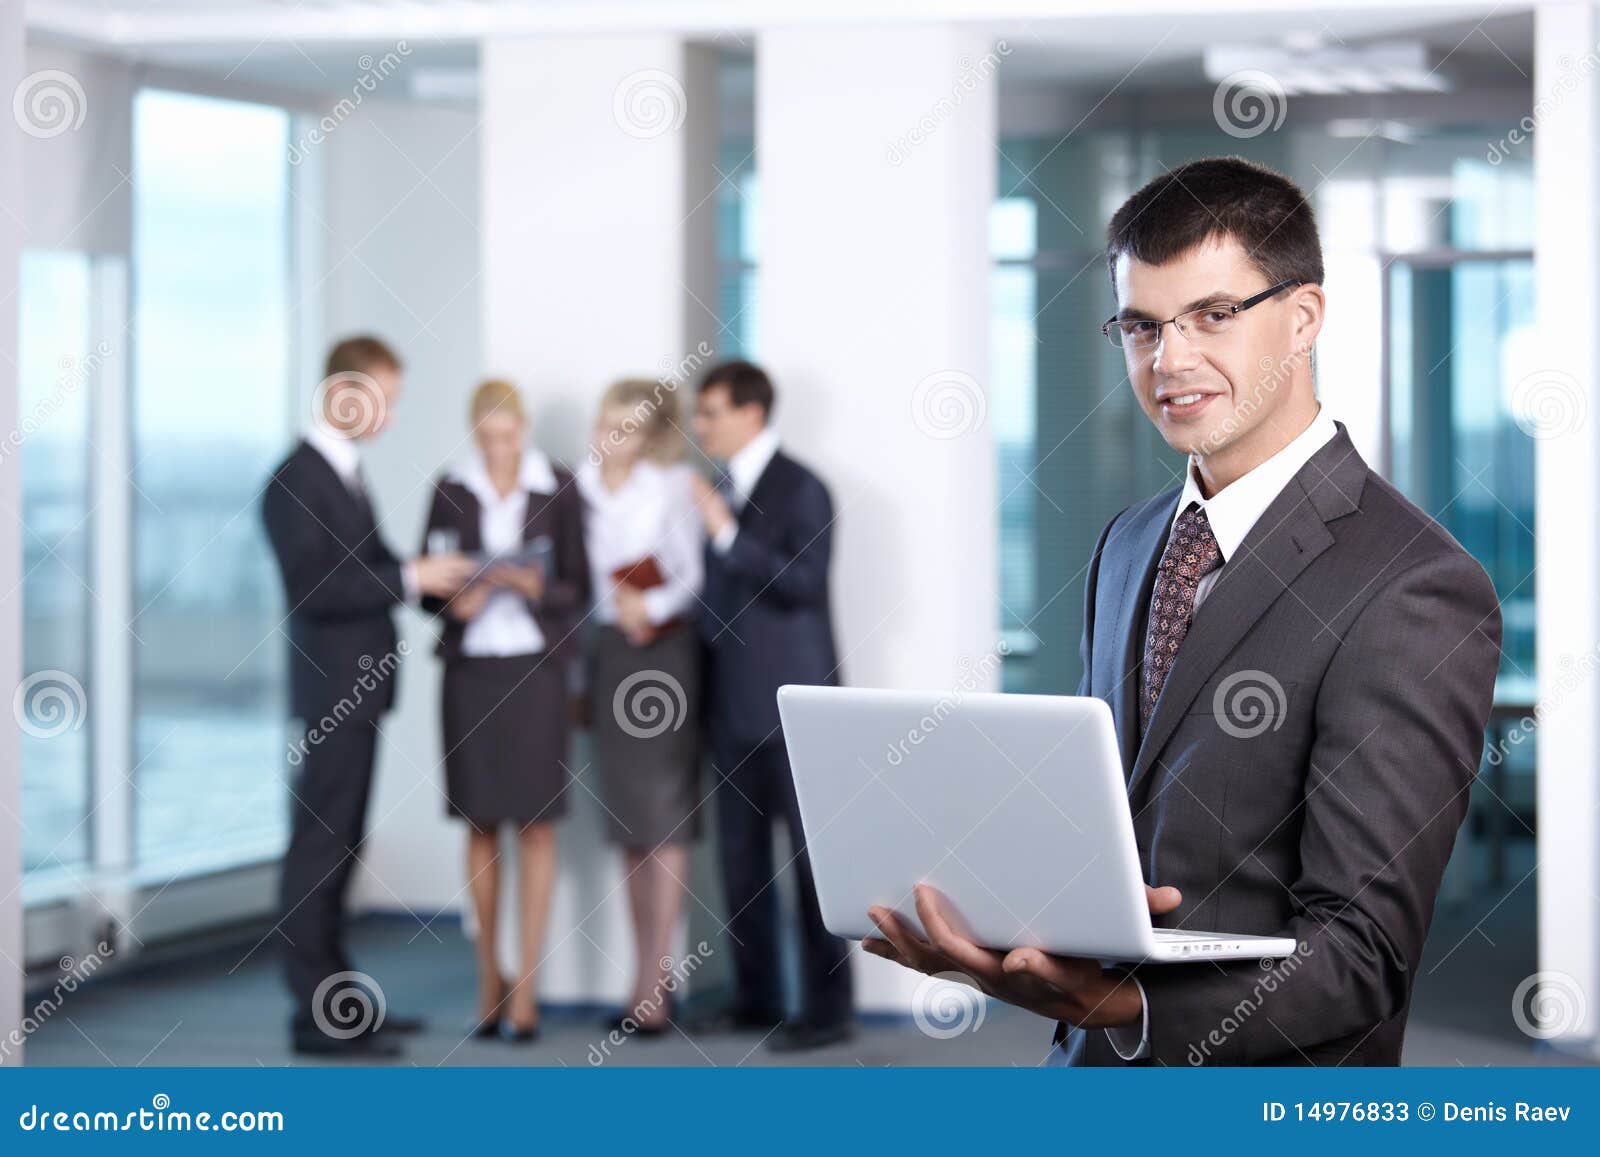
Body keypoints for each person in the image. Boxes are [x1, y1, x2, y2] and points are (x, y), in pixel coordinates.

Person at [860, 156, 1503, 1066]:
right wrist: (1001, 924)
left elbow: (1364, 957)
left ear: (1304, 317)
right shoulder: (1129, 544)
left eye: (1212, 316)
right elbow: (1108, 833)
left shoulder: (1411, 584)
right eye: (1142, 325)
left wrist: (1129, 1005)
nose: (1171, 360)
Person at [262, 336, 476, 1058]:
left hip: (357, 692)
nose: (389, 414)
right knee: (320, 847)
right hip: (332, 692)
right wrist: (412, 576)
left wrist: (430, 577)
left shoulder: (342, 474)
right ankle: (317, 1013)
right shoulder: (298, 479)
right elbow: (317, 588)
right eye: (383, 396)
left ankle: (338, 1003)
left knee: (341, 844)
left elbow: (373, 567)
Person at [689, 360, 854, 1052]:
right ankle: (757, 999)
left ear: (750, 414)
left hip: (796, 708)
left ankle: (827, 1010)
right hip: (731, 705)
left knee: (814, 864)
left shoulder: (801, 485)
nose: (700, 428)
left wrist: (727, 534)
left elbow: (805, 580)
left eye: (710, 413)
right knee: (741, 862)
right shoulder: (724, 486)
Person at [418, 379, 589, 1044]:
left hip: (536, 672)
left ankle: (529, 988)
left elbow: (579, 585)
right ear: (473, 433)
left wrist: (530, 583)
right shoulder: (449, 487)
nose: (499, 448)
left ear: (524, 428)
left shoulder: (560, 486)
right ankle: (489, 974)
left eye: (509, 435)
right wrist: (450, 602)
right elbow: (428, 578)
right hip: (471, 673)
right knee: (479, 824)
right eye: (487, 438)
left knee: (538, 826)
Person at [577, 379, 705, 1034]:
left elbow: (691, 577)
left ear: (650, 435)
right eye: (606, 421)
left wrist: (646, 607)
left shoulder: (673, 487)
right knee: (630, 823)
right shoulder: (577, 488)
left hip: (662, 655)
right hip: (607, 654)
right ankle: (642, 976)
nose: (612, 436)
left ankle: (656, 983)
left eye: (626, 426)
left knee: (666, 817)